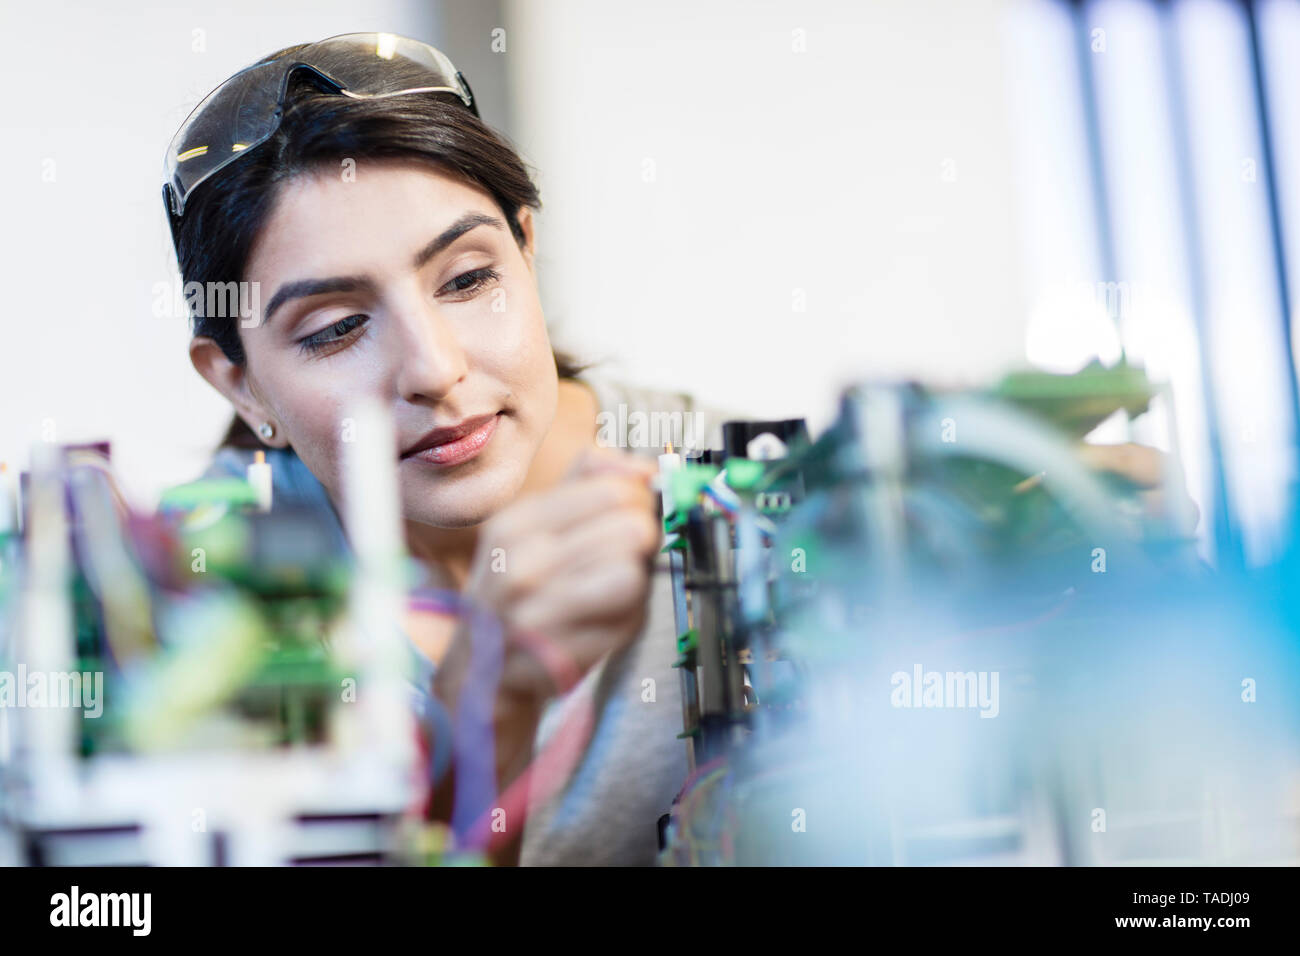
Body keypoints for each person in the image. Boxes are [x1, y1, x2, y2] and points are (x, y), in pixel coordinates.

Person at [164, 32, 1196, 866]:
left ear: (526, 249)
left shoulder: (762, 500)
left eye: (467, 278)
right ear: (237, 379)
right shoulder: (170, 614)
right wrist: (489, 706)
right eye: (337, 328)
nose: (432, 367)